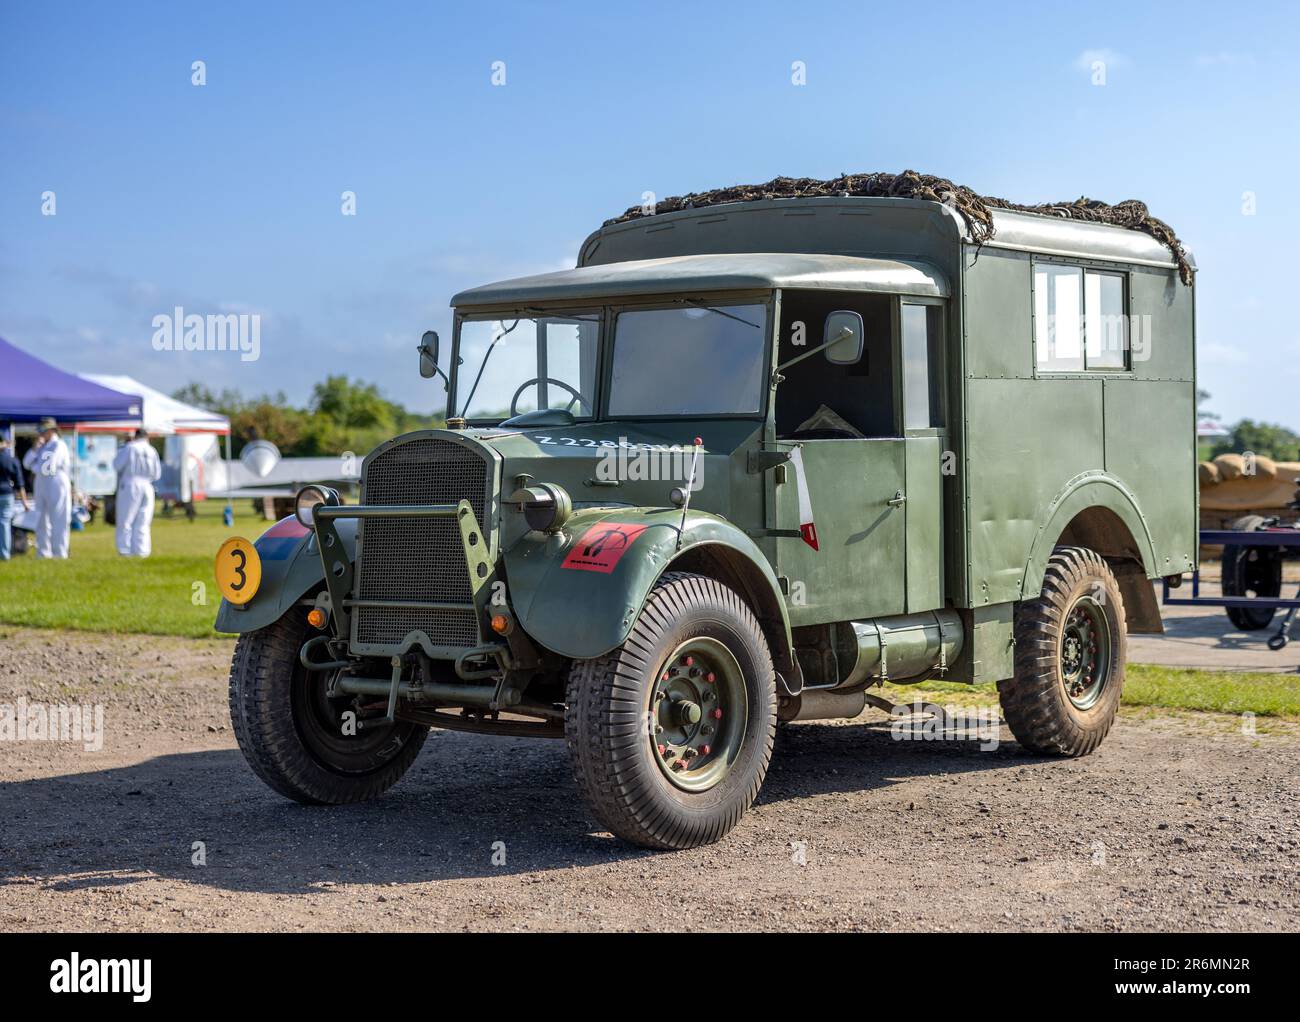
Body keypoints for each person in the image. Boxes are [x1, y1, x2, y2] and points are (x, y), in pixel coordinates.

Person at [22, 417, 72, 559]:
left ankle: (60, 553)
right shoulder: (42, 446)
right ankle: (43, 552)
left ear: (50, 430)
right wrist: (34, 449)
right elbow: (26, 463)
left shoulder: (58, 445)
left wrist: (34, 467)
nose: (40, 434)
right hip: (42, 483)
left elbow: (48, 468)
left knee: (59, 519)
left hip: (56, 481)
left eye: (42, 431)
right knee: (41, 518)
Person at [113, 427, 162, 557]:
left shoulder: (130, 447)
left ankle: (125, 550)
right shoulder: (152, 450)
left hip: (131, 484)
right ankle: (142, 551)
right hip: (148, 485)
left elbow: (117, 465)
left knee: (125, 520)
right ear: (147, 437)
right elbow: (157, 474)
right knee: (143, 520)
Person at [0, 435, 32, 561]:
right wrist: (25, 503)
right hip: (7, 494)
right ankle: (4, 554)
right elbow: (20, 484)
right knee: (4, 524)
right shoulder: (12, 460)